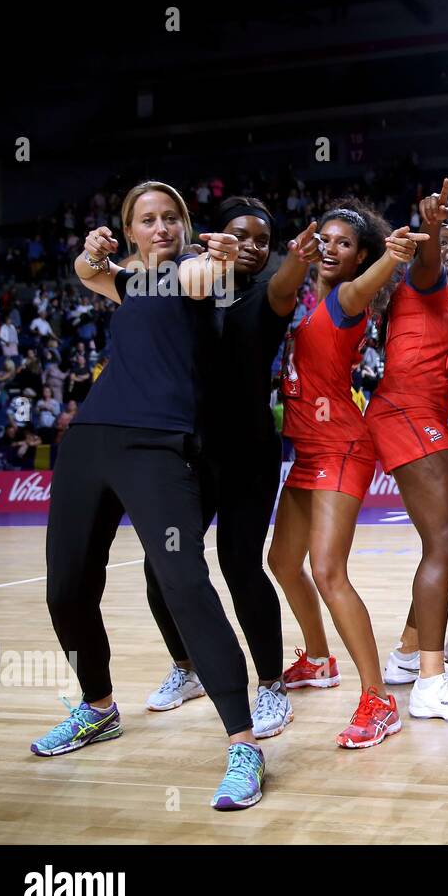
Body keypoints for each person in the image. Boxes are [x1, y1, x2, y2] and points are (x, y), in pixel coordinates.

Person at [33, 180, 270, 811]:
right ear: (131, 230)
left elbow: (202, 278)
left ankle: (244, 743)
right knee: (66, 588)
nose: (160, 227)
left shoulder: (197, 273)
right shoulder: (129, 283)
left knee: (184, 583)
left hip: (159, 444)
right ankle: (98, 706)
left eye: (171, 218)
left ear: (185, 227)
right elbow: (88, 273)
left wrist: (217, 258)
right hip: (87, 443)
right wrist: (92, 252)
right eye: (147, 219)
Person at [142, 198, 315, 746]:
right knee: (160, 565)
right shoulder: (188, 286)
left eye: (264, 239)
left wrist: (296, 258)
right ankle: (187, 667)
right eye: (243, 234)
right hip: (189, 451)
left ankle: (270, 685)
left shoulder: (268, 296)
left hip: (247, 452)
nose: (254, 246)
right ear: (218, 235)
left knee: (240, 564)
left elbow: (288, 283)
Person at [268, 199, 429, 748]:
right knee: (282, 561)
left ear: (360, 256)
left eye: (345, 243)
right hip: (309, 450)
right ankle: (317, 659)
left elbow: (367, 285)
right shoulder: (309, 301)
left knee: (327, 570)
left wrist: (393, 258)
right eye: (326, 239)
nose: (332, 248)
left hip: (340, 446)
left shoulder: (342, 299)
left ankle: (379, 700)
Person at [364, 179, 448, 723]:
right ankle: (430, 685)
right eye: (447, 242)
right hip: (406, 416)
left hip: (426, 420)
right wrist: (434, 228)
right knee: (444, 543)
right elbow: (430, 259)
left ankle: (407, 655)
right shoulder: (423, 277)